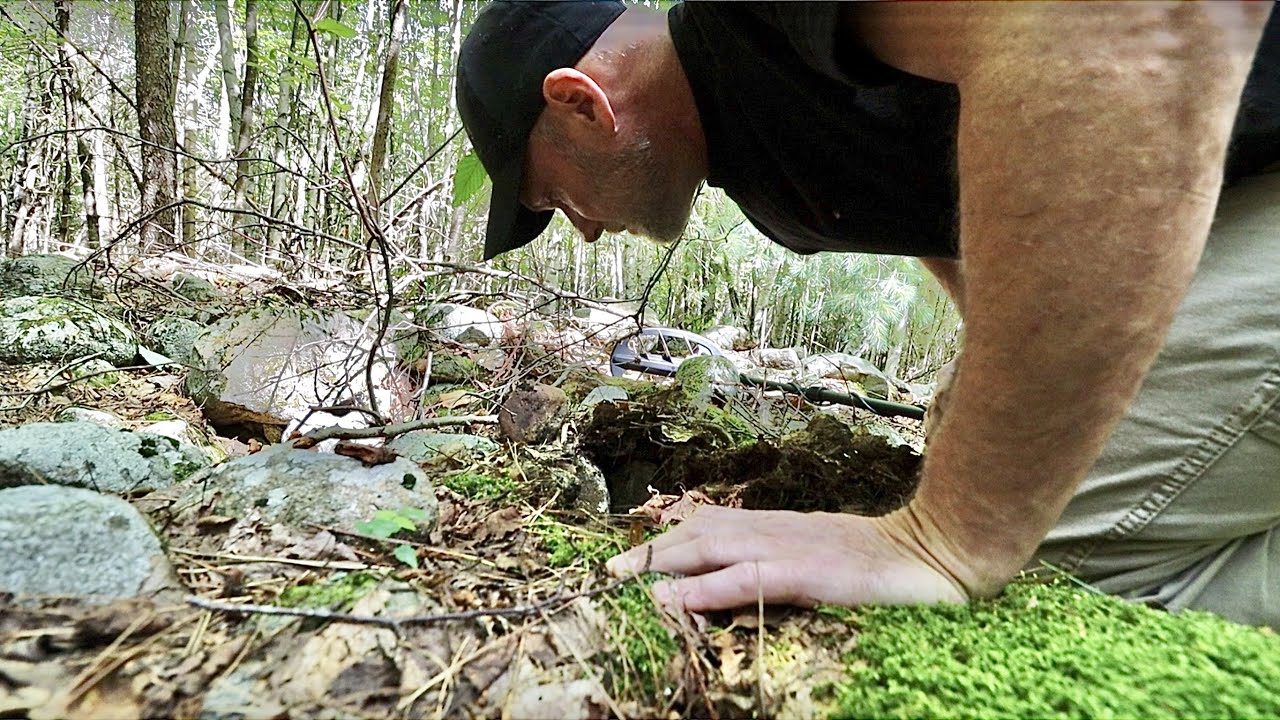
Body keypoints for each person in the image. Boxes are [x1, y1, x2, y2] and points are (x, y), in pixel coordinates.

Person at [456, 1, 1280, 627]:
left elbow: (1121, 23)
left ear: (582, 104)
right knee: (1013, 464)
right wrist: (974, 397)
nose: (586, 228)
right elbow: (942, 205)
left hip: (1239, 186)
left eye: (556, 195)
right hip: (1202, 224)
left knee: (1043, 553)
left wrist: (949, 535)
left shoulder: (758, 18)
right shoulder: (764, 174)